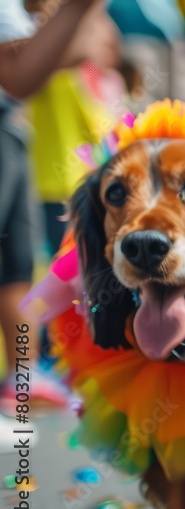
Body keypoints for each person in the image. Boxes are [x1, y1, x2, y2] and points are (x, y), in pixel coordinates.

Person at [0, 0, 120, 437]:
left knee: (16, 272)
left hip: (16, 137)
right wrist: (77, 12)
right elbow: (20, 73)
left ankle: (24, 380)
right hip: (57, 181)